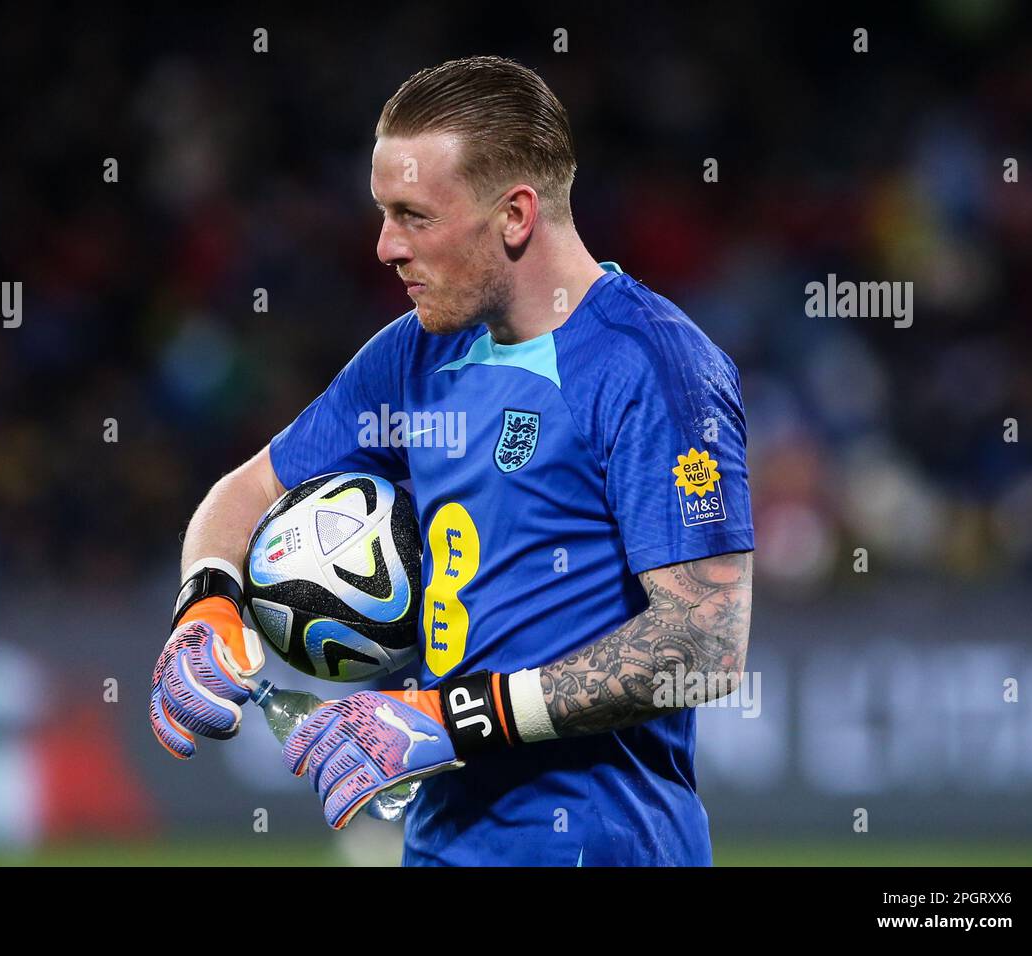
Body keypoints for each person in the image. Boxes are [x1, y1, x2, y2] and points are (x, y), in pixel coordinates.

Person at [150, 55, 754, 866]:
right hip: (441, 846)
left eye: (414, 217)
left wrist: (449, 718)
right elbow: (247, 489)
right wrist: (209, 601)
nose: (384, 246)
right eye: (382, 213)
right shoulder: (414, 356)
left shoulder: (653, 366)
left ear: (513, 215)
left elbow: (706, 641)